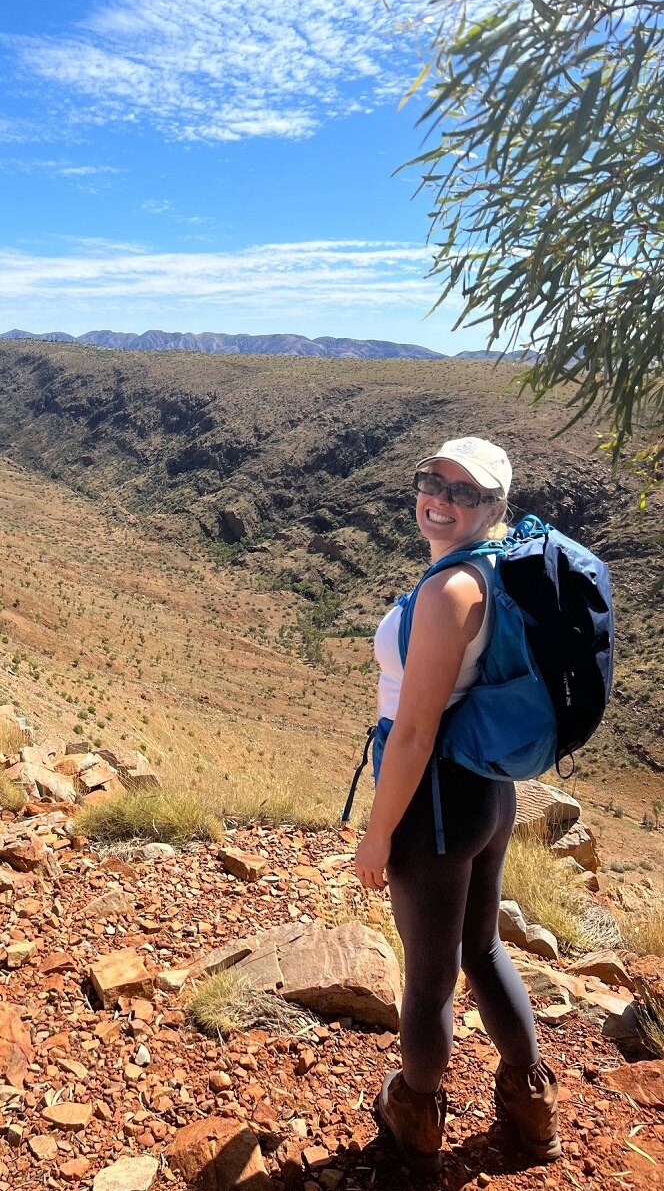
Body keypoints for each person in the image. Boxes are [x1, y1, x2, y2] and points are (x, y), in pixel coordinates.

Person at [354, 436, 560, 1173]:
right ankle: (530, 1100)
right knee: (483, 945)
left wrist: (378, 834)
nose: (440, 498)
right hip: (486, 792)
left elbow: (412, 731)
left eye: (465, 492)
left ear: (495, 506)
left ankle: (414, 1112)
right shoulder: (500, 564)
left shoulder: (449, 592)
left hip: (434, 801)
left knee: (430, 973)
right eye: (431, 481)